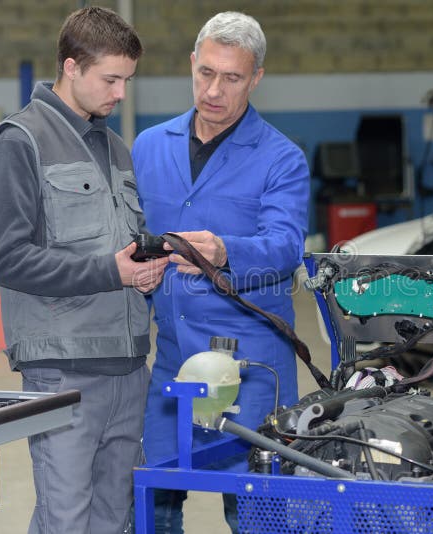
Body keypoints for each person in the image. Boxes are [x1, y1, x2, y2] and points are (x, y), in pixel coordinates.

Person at [0, 7, 168, 533]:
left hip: (128, 366)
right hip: (63, 370)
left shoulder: (116, 149)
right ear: (71, 66)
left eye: (127, 80)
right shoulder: (21, 140)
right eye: (111, 79)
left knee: (115, 520)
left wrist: (144, 270)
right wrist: (112, 272)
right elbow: (6, 257)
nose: (121, 94)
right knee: (65, 520)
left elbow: (122, 247)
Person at [131, 10, 310, 533]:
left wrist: (225, 251)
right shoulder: (149, 147)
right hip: (173, 362)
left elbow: (285, 247)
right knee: (154, 505)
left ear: (256, 79)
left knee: (256, 512)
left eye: (232, 78)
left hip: (251, 368)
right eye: (206, 72)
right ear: (192, 62)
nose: (214, 90)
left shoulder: (282, 159)